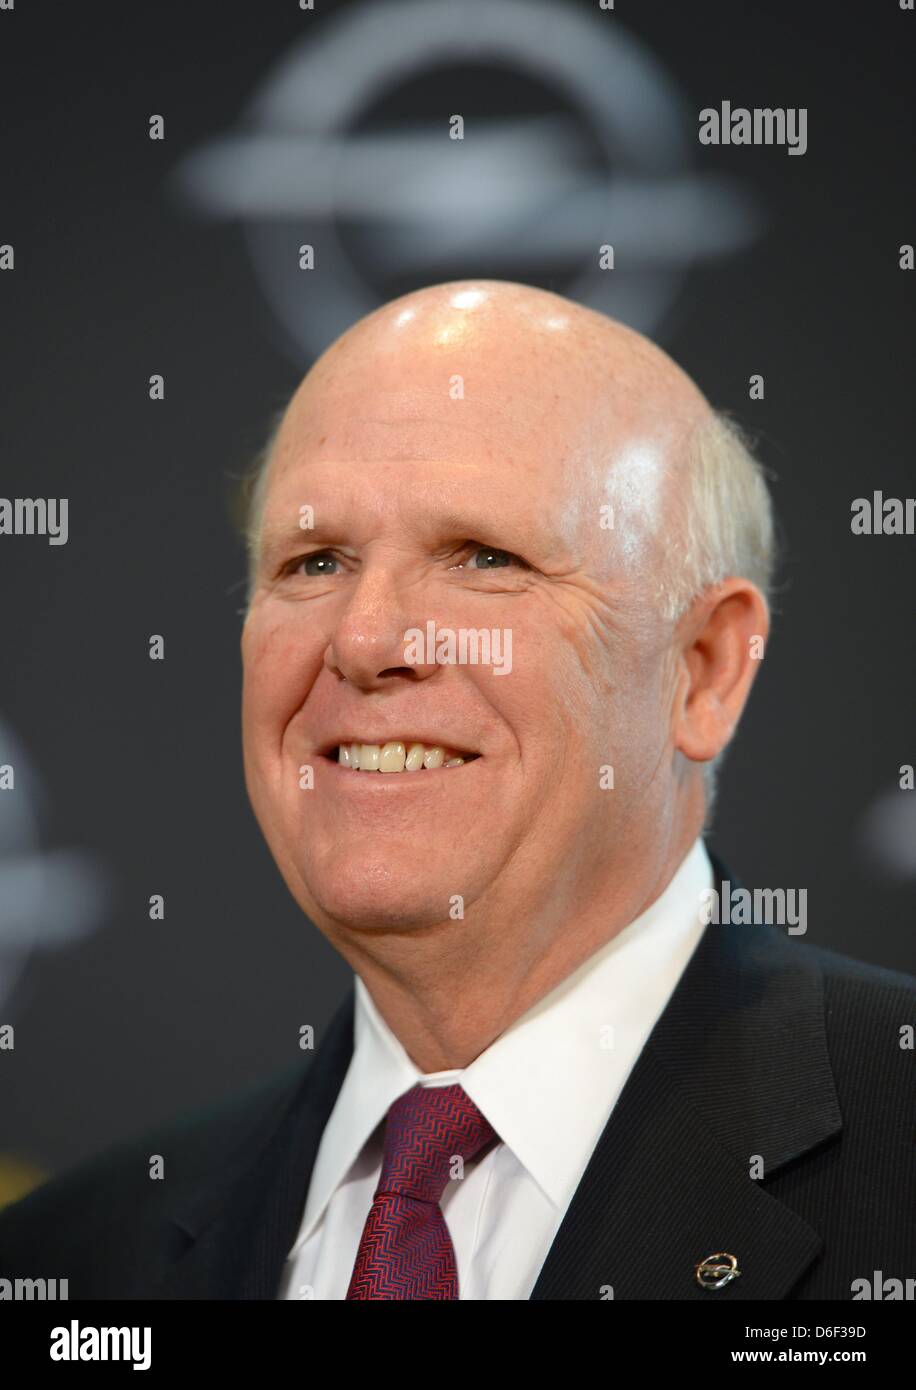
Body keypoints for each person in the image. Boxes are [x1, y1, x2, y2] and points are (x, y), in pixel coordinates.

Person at [1, 281, 913, 1300]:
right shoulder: (67, 1267)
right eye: (314, 561)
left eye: (484, 556)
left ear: (700, 668)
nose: (366, 640)